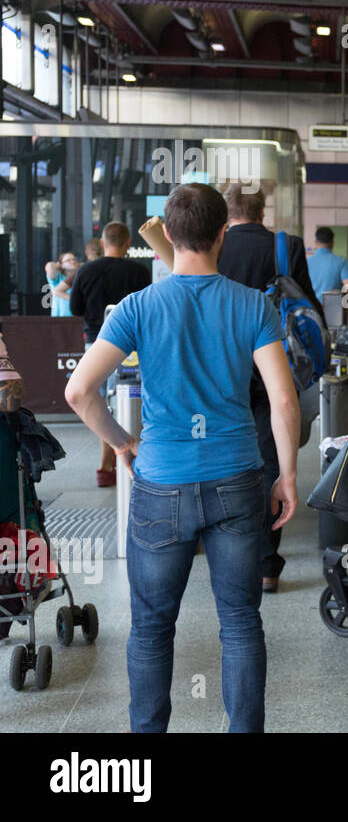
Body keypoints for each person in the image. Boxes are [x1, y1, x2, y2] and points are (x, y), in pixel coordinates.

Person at [64, 185, 300, 732]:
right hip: (238, 479)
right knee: (240, 621)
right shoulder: (252, 305)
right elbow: (284, 400)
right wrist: (286, 475)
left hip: (160, 483)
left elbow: (79, 392)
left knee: (150, 627)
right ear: (222, 234)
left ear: (166, 236)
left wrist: (123, 441)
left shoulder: (137, 309)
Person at [217, 187, 322, 595]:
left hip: (223, 368)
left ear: (228, 214)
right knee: (267, 461)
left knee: (223, 457)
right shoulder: (286, 246)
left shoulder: (215, 243)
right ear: (262, 211)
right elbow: (305, 304)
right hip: (272, 367)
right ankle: (265, 566)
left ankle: (227, 556)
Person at [68, 221, 151, 488]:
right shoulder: (139, 271)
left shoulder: (86, 271)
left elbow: (74, 308)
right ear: (128, 243)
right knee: (127, 403)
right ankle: (128, 457)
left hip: (95, 344)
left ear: (103, 243)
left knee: (98, 405)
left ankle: (107, 464)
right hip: (131, 350)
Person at [306, 226, 348, 298]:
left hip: (310, 307)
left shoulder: (306, 263)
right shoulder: (341, 262)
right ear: (332, 243)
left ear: (315, 242)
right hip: (333, 308)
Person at [44, 252, 79, 317]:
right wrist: (58, 265)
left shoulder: (79, 277)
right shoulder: (57, 277)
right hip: (59, 317)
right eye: (68, 260)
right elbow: (49, 266)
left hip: (76, 317)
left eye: (74, 259)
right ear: (61, 265)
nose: (73, 261)